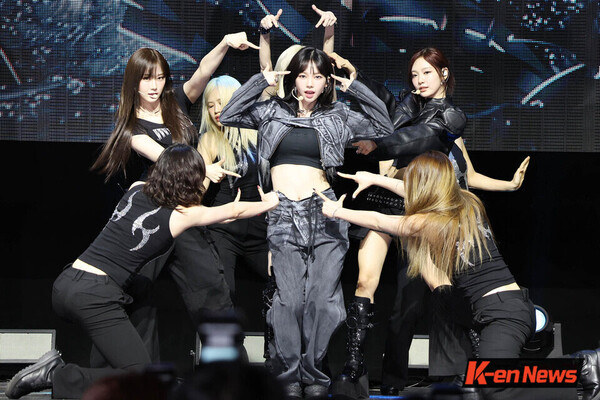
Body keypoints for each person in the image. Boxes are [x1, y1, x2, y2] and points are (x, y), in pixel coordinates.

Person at [5, 144, 280, 400]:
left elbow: (222, 211)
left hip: (66, 284)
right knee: (141, 378)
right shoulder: (181, 216)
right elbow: (234, 210)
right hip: (95, 295)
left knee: (126, 369)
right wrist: (269, 202)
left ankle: (70, 380)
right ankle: (55, 375)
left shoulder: (136, 188)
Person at [317, 150, 598, 400]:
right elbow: (421, 192)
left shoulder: (432, 222)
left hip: (501, 313)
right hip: (506, 307)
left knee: (494, 386)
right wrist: (375, 179)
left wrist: (338, 211)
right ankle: (577, 371)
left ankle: (583, 366)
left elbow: (381, 220)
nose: (410, 189)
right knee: (485, 381)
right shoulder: (468, 202)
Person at [219, 46, 393, 399]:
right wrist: (260, 81)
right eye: (303, 75)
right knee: (288, 302)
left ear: (327, 81)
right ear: (293, 79)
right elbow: (229, 114)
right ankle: (288, 376)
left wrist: (354, 87)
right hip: (283, 212)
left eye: (317, 76)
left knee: (323, 301)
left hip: (324, 211)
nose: (310, 83)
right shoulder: (272, 111)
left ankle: (314, 374)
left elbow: (383, 126)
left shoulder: (338, 115)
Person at [89, 33, 259, 364]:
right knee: (133, 297)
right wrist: (203, 168)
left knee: (212, 291)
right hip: (150, 218)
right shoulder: (130, 127)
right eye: (146, 79)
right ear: (134, 82)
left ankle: (229, 372)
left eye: (160, 78)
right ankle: (122, 375)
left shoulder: (176, 105)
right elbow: (166, 159)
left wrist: (224, 43)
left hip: (185, 215)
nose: (154, 86)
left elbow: (203, 72)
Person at [327, 47, 467, 397]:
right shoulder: (410, 102)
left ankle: (396, 378)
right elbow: (388, 104)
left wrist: (378, 145)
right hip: (385, 197)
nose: (419, 81)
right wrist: (356, 75)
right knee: (365, 280)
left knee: (410, 301)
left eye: (427, 73)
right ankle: (354, 366)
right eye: (415, 74)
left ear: (443, 74)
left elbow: (415, 138)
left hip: (420, 205)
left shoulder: (452, 116)